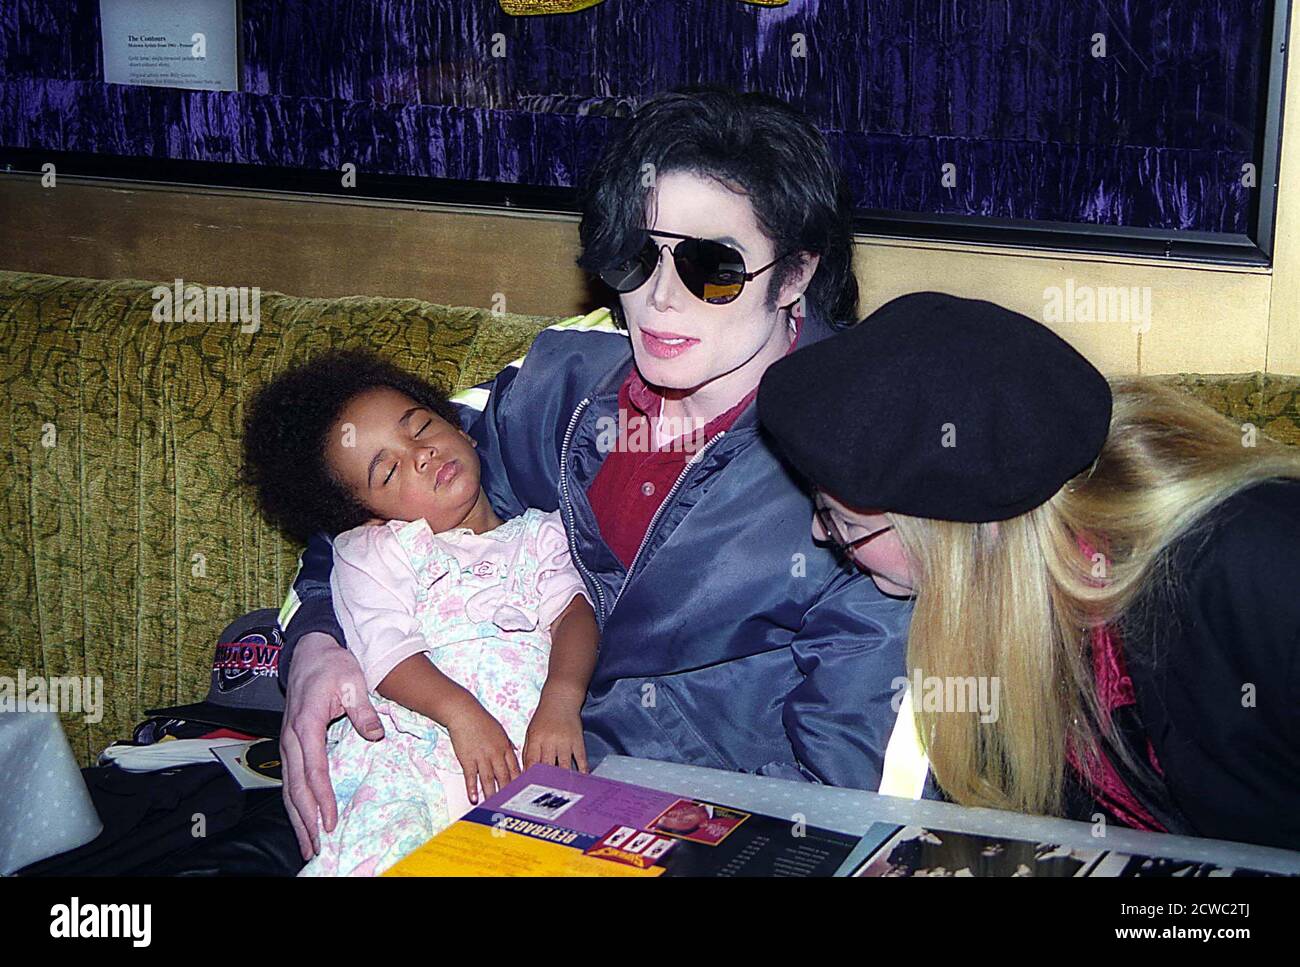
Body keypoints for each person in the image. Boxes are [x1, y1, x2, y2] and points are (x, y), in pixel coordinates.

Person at [274, 85, 916, 859]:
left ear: (796, 274)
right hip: (474, 790)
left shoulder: (863, 474)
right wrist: (313, 645)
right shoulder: (561, 383)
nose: (658, 298)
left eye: (713, 266)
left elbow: (851, 788)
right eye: (637, 255)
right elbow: (359, 509)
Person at [758, 290, 1300, 850]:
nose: (822, 535)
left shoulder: (1255, 562)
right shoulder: (1011, 603)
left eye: (840, 520)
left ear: (970, 530)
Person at [243, 350, 599, 875]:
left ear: (464, 430)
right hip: (408, 754)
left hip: (526, 753)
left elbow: (575, 617)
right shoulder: (375, 553)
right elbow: (387, 654)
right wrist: (462, 715)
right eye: (387, 469)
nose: (421, 455)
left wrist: (562, 699)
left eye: (421, 427)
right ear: (368, 516)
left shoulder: (541, 534)